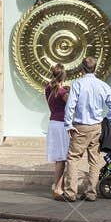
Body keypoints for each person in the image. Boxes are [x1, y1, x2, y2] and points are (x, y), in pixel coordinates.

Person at [61, 54, 111, 202]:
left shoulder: (77, 84)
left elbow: (70, 106)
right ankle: (91, 193)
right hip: (96, 127)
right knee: (94, 161)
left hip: (80, 127)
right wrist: (107, 120)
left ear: (82, 68)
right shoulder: (103, 86)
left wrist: (68, 124)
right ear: (95, 68)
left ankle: (70, 193)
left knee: (73, 158)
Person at [43, 63, 70, 198]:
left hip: (53, 123)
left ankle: (60, 186)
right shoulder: (62, 92)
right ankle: (58, 188)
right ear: (63, 76)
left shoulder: (48, 88)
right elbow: (71, 107)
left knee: (59, 158)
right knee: (61, 158)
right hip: (61, 125)